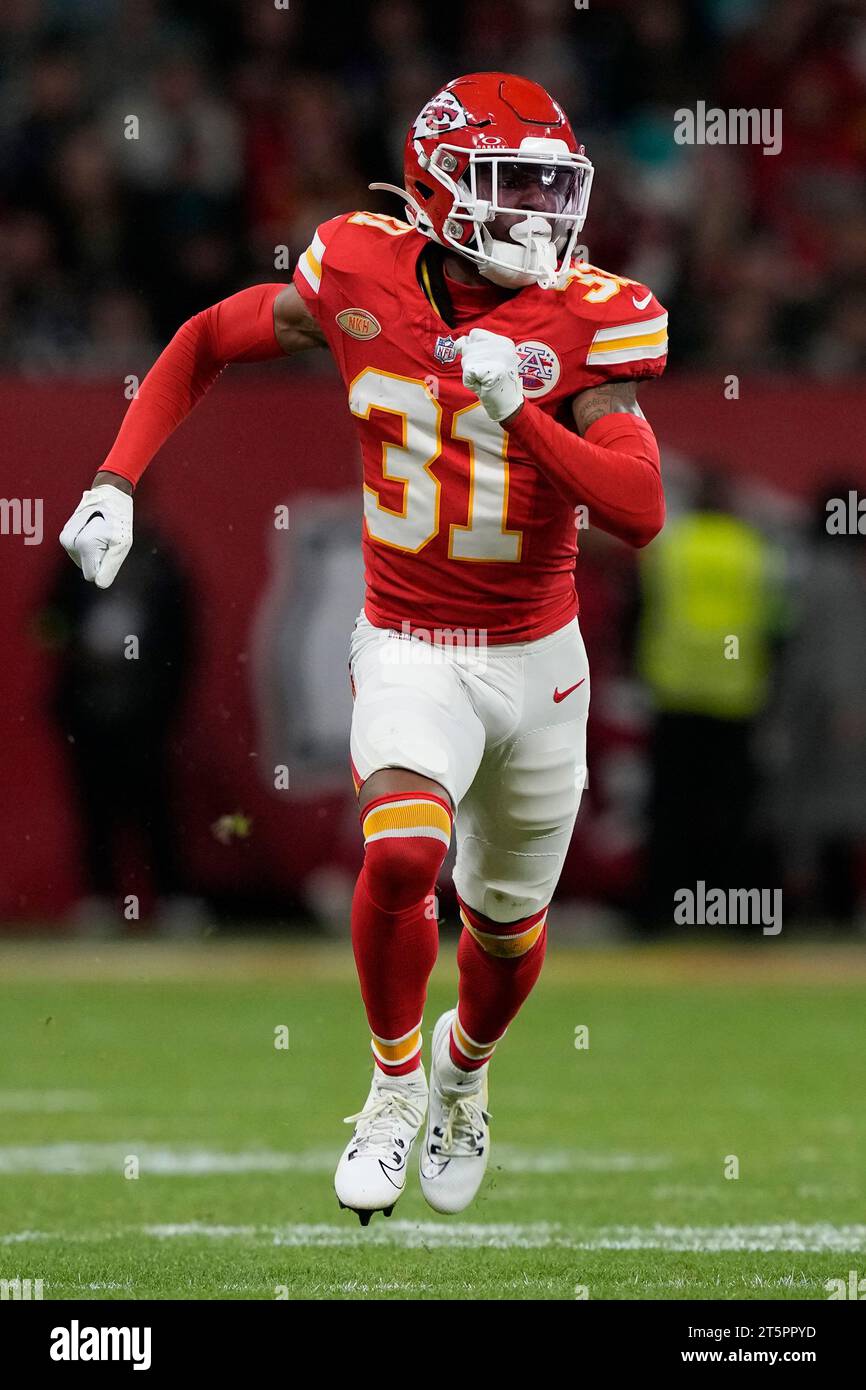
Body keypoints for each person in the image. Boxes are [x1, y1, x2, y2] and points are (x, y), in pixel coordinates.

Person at [59, 73, 668, 1223]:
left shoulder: (593, 313)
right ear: (441, 187)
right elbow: (206, 337)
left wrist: (522, 414)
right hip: (406, 641)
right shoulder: (357, 268)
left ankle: (462, 1070)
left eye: (553, 186)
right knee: (398, 860)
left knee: (502, 932)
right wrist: (114, 478)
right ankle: (391, 1086)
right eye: (514, 186)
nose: (540, 213)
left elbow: (638, 509)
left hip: (538, 661)